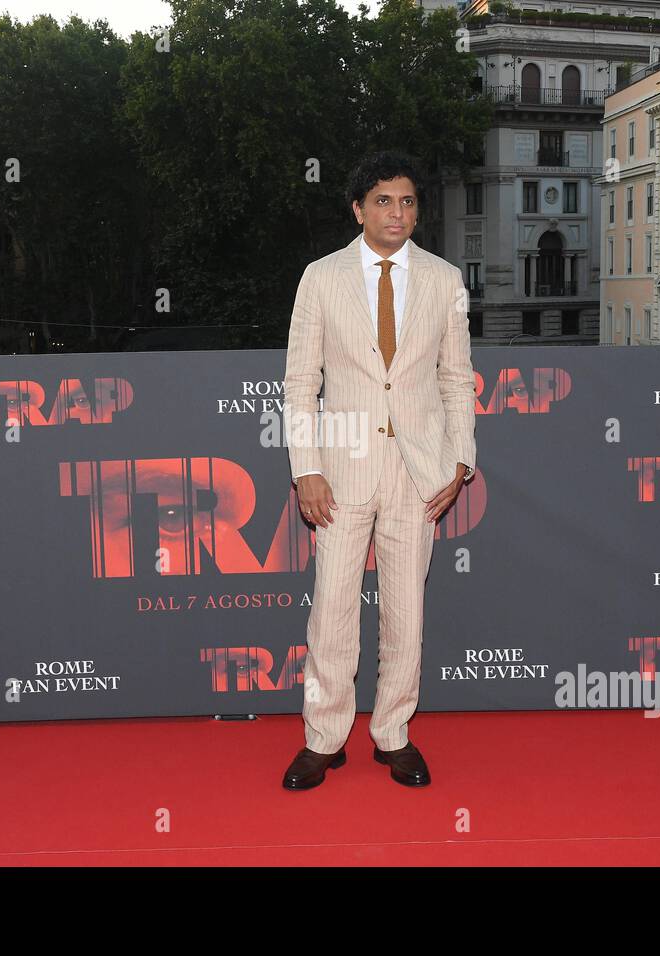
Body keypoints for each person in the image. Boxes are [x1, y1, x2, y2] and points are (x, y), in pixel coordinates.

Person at [280, 150, 477, 790]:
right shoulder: (321, 277)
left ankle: (393, 734)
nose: (398, 213)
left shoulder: (446, 281)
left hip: (417, 471)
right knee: (332, 610)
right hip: (339, 469)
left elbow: (454, 380)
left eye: (409, 201)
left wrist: (461, 459)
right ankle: (324, 737)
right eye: (384, 201)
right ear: (358, 208)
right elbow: (300, 381)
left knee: (404, 613)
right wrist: (306, 467)